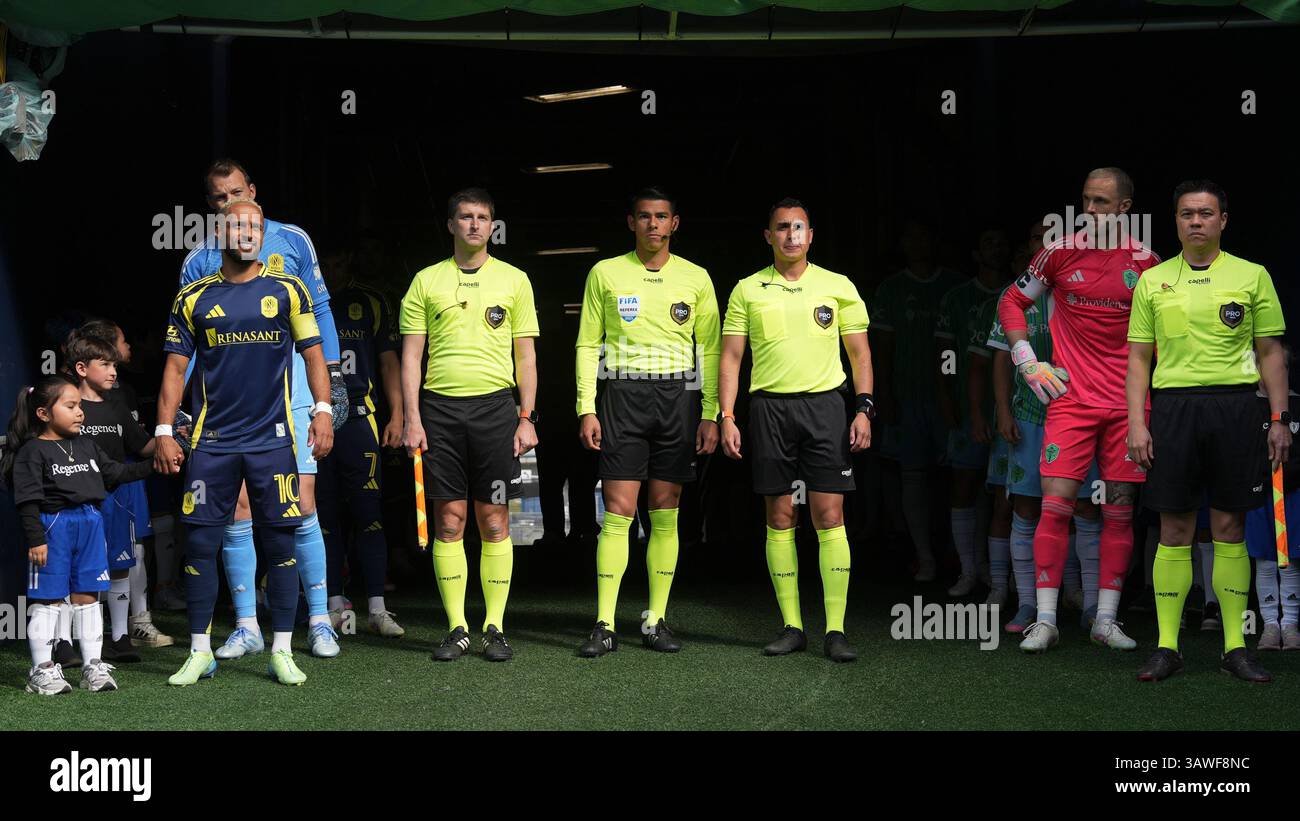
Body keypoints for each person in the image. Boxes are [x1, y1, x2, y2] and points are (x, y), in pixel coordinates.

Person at [156, 198, 334, 686]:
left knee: (280, 544)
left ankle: (280, 649)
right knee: (199, 545)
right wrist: (165, 431)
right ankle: (199, 651)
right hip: (211, 446)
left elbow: (314, 356)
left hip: (273, 442)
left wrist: (322, 410)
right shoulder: (194, 297)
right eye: (237, 224)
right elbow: (174, 369)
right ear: (220, 233)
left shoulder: (289, 290)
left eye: (255, 224)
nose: (247, 232)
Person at [1127, 180, 1289, 682]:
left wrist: (1279, 419)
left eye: (1205, 213)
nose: (1195, 221)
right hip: (1173, 409)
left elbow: (1270, 352)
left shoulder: (1252, 275)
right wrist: (1138, 421)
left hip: (1237, 408)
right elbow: (1137, 357)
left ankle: (1235, 648)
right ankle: (1168, 646)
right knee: (1173, 529)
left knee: (1229, 529)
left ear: (1223, 220)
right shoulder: (1152, 281)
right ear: (1175, 221)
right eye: (1185, 214)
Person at [998, 168, 1160, 653]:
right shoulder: (1058, 252)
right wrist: (1026, 360)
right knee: (1055, 507)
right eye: (1086, 200)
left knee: (1118, 511)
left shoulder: (1148, 263)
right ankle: (1045, 619)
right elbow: (1011, 301)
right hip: (1070, 401)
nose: (1091, 210)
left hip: (1129, 406)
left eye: (1102, 202)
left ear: (1125, 209)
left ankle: (1105, 619)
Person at [718, 197, 872, 662]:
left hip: (827, 408)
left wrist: (863, 409)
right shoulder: (747, 289)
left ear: (811, 235)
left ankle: (836, 630)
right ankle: (792, 626)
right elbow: (730, 358)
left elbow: (861, 355)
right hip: (768, 410)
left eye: (798, 227)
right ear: (768, 236)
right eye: (781, 228)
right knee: (780, 517)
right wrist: (727, 416)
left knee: (829, 516)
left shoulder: (837, 285)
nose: (790, 235)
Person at [573, 187, 720, 657]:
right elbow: (585, 344)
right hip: (622, 394)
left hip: (678, 396)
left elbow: (711, 349)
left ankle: (655, 620)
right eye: (644, 217)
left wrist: (712, 412)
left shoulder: (696, 278)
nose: (653, 224)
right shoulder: (605, 272)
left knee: (665, 509)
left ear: (675, 223)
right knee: (617, 511)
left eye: (661, 217)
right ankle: (604, 624)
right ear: (631, 222)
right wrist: (586, 406)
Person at [400, 187, 539, 662]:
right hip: (439, 413)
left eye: (483, 217)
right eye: (466, 217)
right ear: (451, 224)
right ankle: (457, 628)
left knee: (495, 519)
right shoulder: (425, 281)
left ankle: (494, 627)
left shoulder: (516, 280)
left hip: (497, 413)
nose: (475, 224)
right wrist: (412, 418)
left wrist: (526, 417)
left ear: (492, 226)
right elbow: (411, 356)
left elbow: (526, 356)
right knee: (449, 520)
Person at [2, 374, 154, 694]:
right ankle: (42, 670)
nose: (79, 412)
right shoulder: (33, 451)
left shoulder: (87, 446)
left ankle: (92, 667)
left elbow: (119, 472)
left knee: (88, 599)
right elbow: (27, 500)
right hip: (53, 528)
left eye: (79, 406)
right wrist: (36, 539)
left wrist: (160, 461)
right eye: (70, 406)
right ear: (43, 414)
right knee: (49, 601)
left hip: (90, 525)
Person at [63, 328, 171, 663]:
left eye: (115, 365)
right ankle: (66, 642)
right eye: (105, 365)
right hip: (78, 502)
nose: (114, 372)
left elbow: (141, 446)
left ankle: (120, 637)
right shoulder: (68, 404)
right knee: (75, 570)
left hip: (116, 499)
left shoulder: (117, 407)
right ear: (82, 369)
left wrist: (170, 439)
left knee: (121, 567)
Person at [315, 244, 405, 637]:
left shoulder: (371, 302)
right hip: (316, 419)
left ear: (348, 261)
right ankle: (334, 606)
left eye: (338, 261)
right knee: (324, 519)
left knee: (369, 515)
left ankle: (377, 608)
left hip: (359, 417)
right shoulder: (302, 297)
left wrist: (398, 415)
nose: (332, 270)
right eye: (326, 264)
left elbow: (388, 361)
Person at [871, 221, 965, 581]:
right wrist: (884, 394)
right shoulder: (892, 289)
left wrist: (952, 391)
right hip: (907, 396)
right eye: (912, 235)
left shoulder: (954, 285)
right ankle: (924, 556)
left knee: (959, 474)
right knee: (912, 474)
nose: (919, 241)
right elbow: (881, 348)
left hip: (950, 397)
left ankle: (960, 555)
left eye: (925, 234)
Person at [936, 226, 1011, 595]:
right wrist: (950, 398)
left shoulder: (1019, 294)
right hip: (972, 407)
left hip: (1014, 412)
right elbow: (947, 357)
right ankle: (968, 571)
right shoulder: (958, 298)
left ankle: (997, 574)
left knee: (1004, 495)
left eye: (1000, 242)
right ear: (976, 252)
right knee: (964, 483)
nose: (995, 248)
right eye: (988, 241)